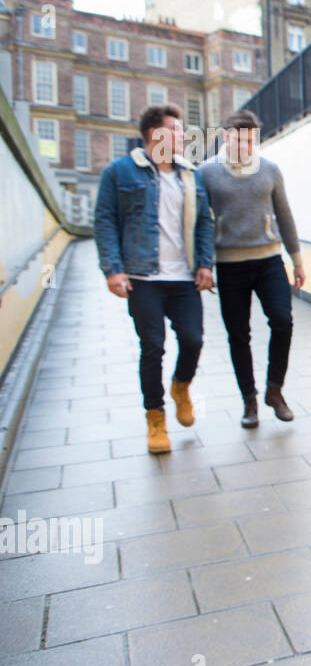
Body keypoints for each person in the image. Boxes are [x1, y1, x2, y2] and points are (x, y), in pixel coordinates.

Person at [93, 104, 215, 454]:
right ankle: (156, 418)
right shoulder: (119, 172)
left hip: (184, 277)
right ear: (154, 134)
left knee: (192, 340)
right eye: (175, 129)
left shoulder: (191, 175)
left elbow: (204, 222)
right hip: (141, 276)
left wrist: (205, 264)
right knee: (153, 348)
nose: (182, 136)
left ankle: (181, 386)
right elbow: (104, 220)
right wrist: (113, 269)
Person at [199, 110, 304, 428]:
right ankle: (250, 401)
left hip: (269, 260)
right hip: (229, 264)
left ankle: (275, 390)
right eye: (240, 139)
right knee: (238, 335)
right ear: (226, 136)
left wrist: (297, 259)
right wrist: (203, 265)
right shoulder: (206, 172)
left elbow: (284, 215)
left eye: (251, 140)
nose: (246, 146)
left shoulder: (270, 170)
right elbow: (200, 222)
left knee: (283, 321)